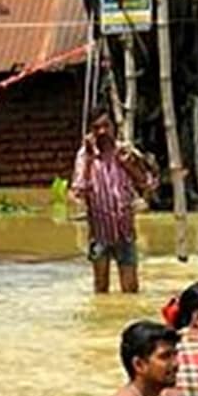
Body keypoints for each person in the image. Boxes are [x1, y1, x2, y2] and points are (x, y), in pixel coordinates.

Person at [72, 108, 157, 294]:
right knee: (100, 289)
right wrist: (88, 160)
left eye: (105, 126)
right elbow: (79, 190)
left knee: (131, 289)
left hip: (125, 231)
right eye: (97, 128)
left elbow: (148, 183)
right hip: (99, 234)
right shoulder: (84, 156)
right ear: (90, 131)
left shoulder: (126, 152)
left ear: (113, 127)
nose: (102, 131)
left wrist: (128, 165)